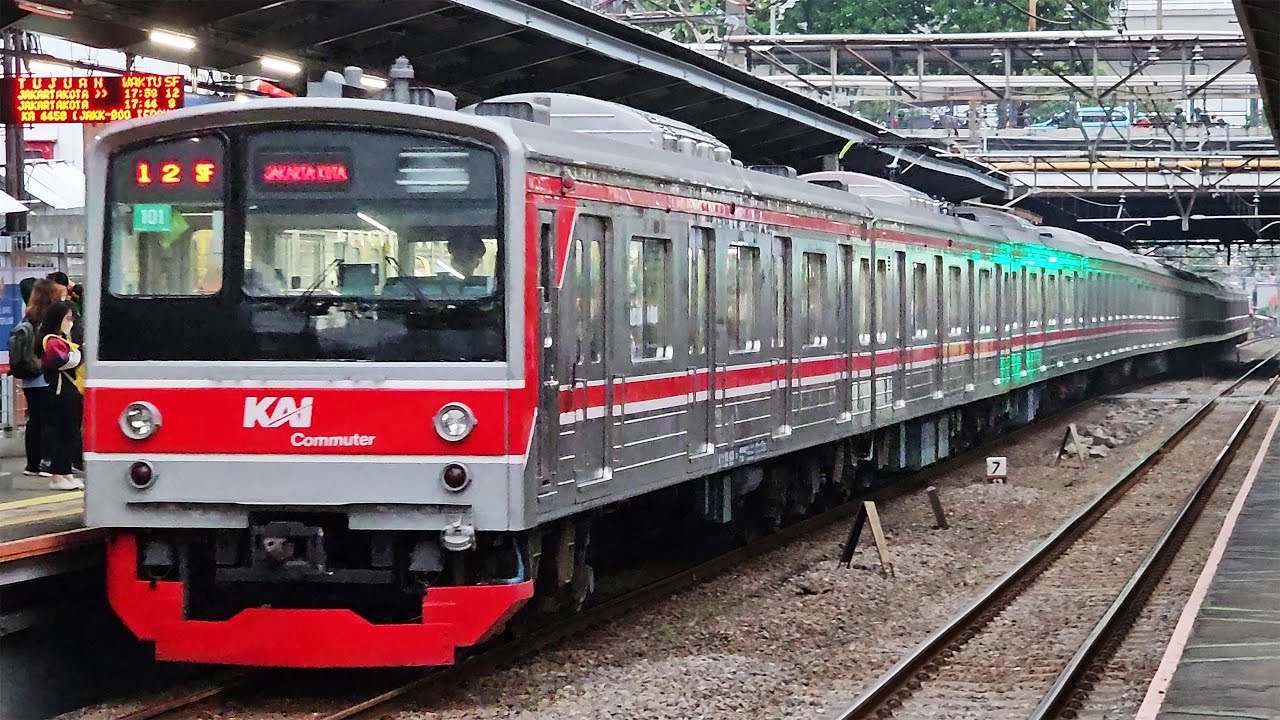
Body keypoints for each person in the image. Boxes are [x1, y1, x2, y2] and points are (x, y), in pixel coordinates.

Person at [39, 302, 84, 491]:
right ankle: (57, 474)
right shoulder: (51, 340)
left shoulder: (62, 339)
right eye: (68, 318)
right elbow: (62, 361)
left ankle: (66, 472)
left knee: (71, 434)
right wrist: (79, 353)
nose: (71, 322)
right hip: (60, 392)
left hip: (71, 391)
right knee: (64, 433)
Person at [17, 280, 58, 479]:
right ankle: (46, 461)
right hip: (45, 375)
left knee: (33, 421)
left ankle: (32, 464)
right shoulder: (49, 317)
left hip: (28, 378)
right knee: (49, 420)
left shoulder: (28, 315)